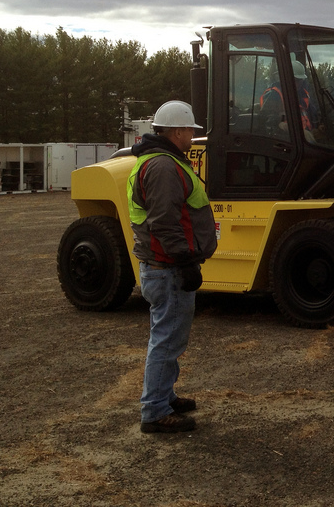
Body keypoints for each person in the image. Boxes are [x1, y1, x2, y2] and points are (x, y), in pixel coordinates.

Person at [127, 100, 217, 434]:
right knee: (167, 339)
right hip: (168, 268)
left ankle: (164, 396)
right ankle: (155, 410)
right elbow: (164, 221)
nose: (192, 137)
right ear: (177, 131)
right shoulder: (164, 167)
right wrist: (185, 261)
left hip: (163, 266)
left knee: (169, 337)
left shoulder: (158, 161)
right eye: (190, 131)